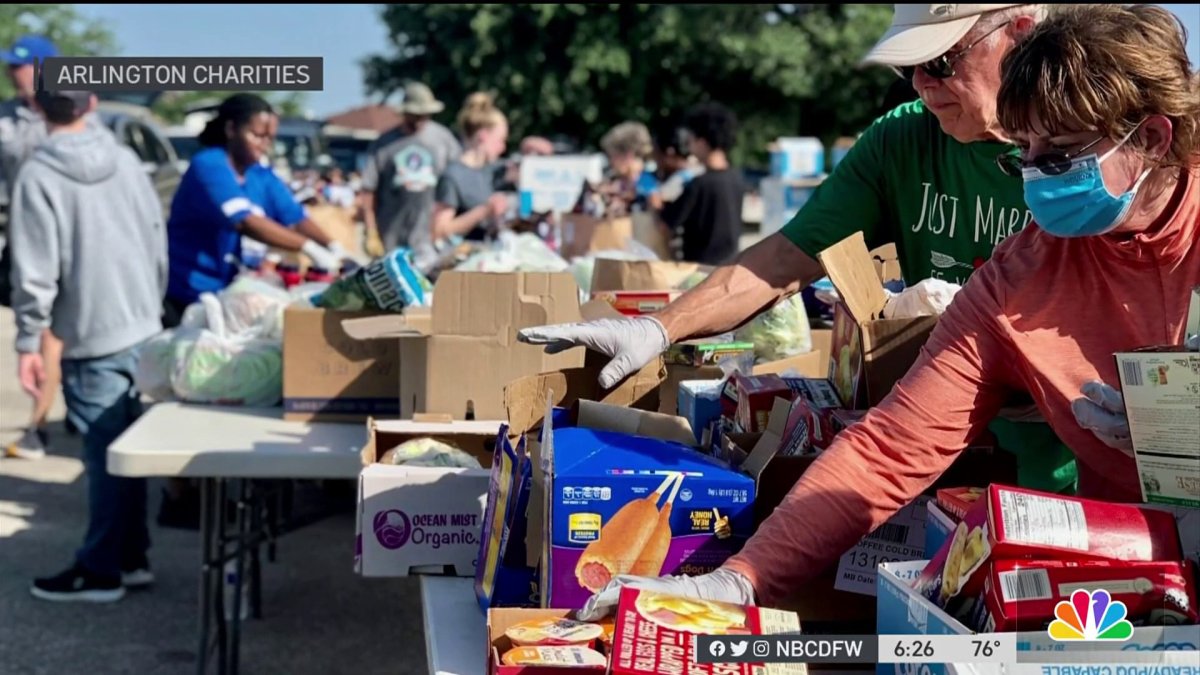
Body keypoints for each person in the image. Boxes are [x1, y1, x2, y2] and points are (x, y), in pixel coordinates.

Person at [569, 1, 1200, 618]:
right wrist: (740, 580)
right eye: (1023, 158)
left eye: (1058, 155)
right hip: (1134, 568)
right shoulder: (1019, 275)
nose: (1036, 178)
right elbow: (890, 446)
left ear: (1150, 137)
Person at [520, 3, 1081, 495]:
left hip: (1061, 479)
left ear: (1019, 33)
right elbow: (785, 257)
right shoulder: (901, 140)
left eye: (940, 61)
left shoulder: (1083, 148)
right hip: (937, 465)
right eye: (907, 66)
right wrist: (659, 328)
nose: (920, 84)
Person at [10, 88, 168, 602]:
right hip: (140, 320)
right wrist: (151, 303)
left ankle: (101, 569)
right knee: (127, 452)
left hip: (89, 329)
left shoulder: (38, 173)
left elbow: (35, 269)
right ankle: (131, 558)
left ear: (38, 107)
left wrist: (30, 338)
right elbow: (156, 239)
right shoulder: (127, 161)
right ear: (92, 103)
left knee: (104, 456)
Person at [163, 93, 347, 323]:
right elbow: (244, 221)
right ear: (231, 129)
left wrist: (334, 247)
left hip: (229, 294)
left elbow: (295, 217)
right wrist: (309, 248)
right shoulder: (209, 165)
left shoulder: (260, 175)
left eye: (269, 138)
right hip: (189, 295)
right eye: (257, 135)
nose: (264, 145)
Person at [1, 35, 65, 460]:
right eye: (10, 65)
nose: (12, 73)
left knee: (51, 331)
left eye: (19, 65)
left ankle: (39, 424)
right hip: (21, 234)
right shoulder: (5, 117)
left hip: (64, 236)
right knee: (40, 327)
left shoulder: (71, 116)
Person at [361, 81, 462, 257]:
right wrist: (371, 231)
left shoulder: (443, 139)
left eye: (424, 115)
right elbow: (369, 190)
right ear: (405, 113)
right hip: (391, 234)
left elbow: (457, 179)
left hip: (429, 237)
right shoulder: (384, 144)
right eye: (415, 115)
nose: (419, 120)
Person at [657, 103, 744, 265]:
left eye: (691, 140)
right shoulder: (737, 178)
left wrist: (655, 204)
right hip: (730, 264)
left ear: (702, 142)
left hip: (700, 268)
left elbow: (666, 224)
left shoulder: (699, 184)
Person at [428, 92, 512, 243]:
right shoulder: (453, 176)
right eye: (500, 140)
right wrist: (484, 210)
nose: (503, 147)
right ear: (483, 136)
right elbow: (439, 230)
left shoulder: (486, 173)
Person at [599, 121, 658, 215]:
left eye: (612, 155)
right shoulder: (616, 182)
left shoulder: (647, 183)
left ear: (628, 155)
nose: (611, 162)